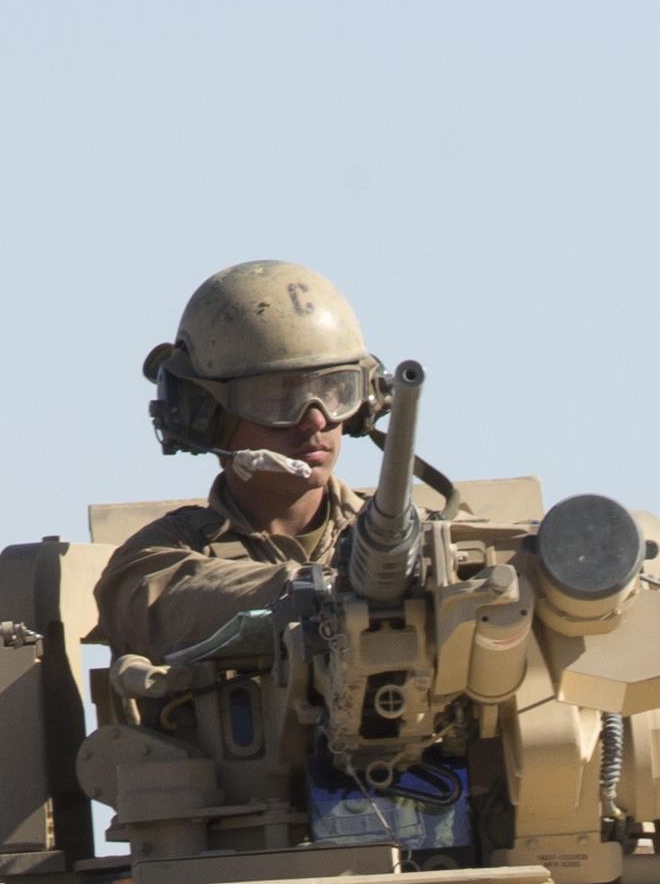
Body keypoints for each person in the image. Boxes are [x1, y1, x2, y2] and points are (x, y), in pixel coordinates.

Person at [87, 260, 441, 663]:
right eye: (278, 399)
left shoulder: (411, 538)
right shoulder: (157, 560)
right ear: (205, 415)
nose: (316, 420)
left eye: (335, 391)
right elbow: (146, 598)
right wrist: (316, 589)